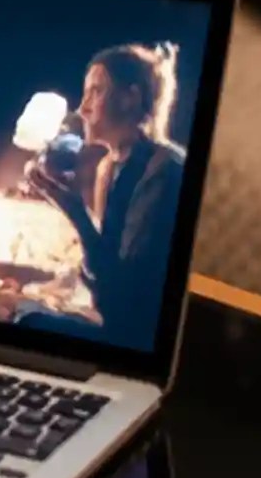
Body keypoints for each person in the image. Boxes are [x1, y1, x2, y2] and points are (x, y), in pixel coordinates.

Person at [26, 42, 186, 349]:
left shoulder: (163, 171)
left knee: (26, 321)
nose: (82, 108)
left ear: (130, 98)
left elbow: (123, 288)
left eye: (96, 92)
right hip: (112, 319)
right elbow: (101, 269)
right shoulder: (109, 167)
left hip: (134, 341)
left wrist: (73, 210)